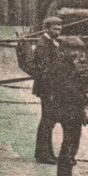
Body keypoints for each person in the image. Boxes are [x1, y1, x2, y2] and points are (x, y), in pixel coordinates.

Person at [46, 36, 88, 176]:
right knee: (69, 148)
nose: (77, 54)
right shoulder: (63, 67)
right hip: (69, 112)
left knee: (70, 147)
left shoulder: (64, 65)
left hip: (68, 111)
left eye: (78, 50)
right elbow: (69, 90)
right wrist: (87, 100)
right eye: (74, 50)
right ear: (65, 51)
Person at [30, 15, 65, 163]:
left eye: (59, 28)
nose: (58, 31)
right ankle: (42, 154)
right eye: (55, 28)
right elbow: (46, 70)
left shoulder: (51, 42)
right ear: (47, 28)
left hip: (50, 88)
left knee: (49, 120)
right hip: (47, 88)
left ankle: (48, 153)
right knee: (47, 121)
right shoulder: (43, 45)